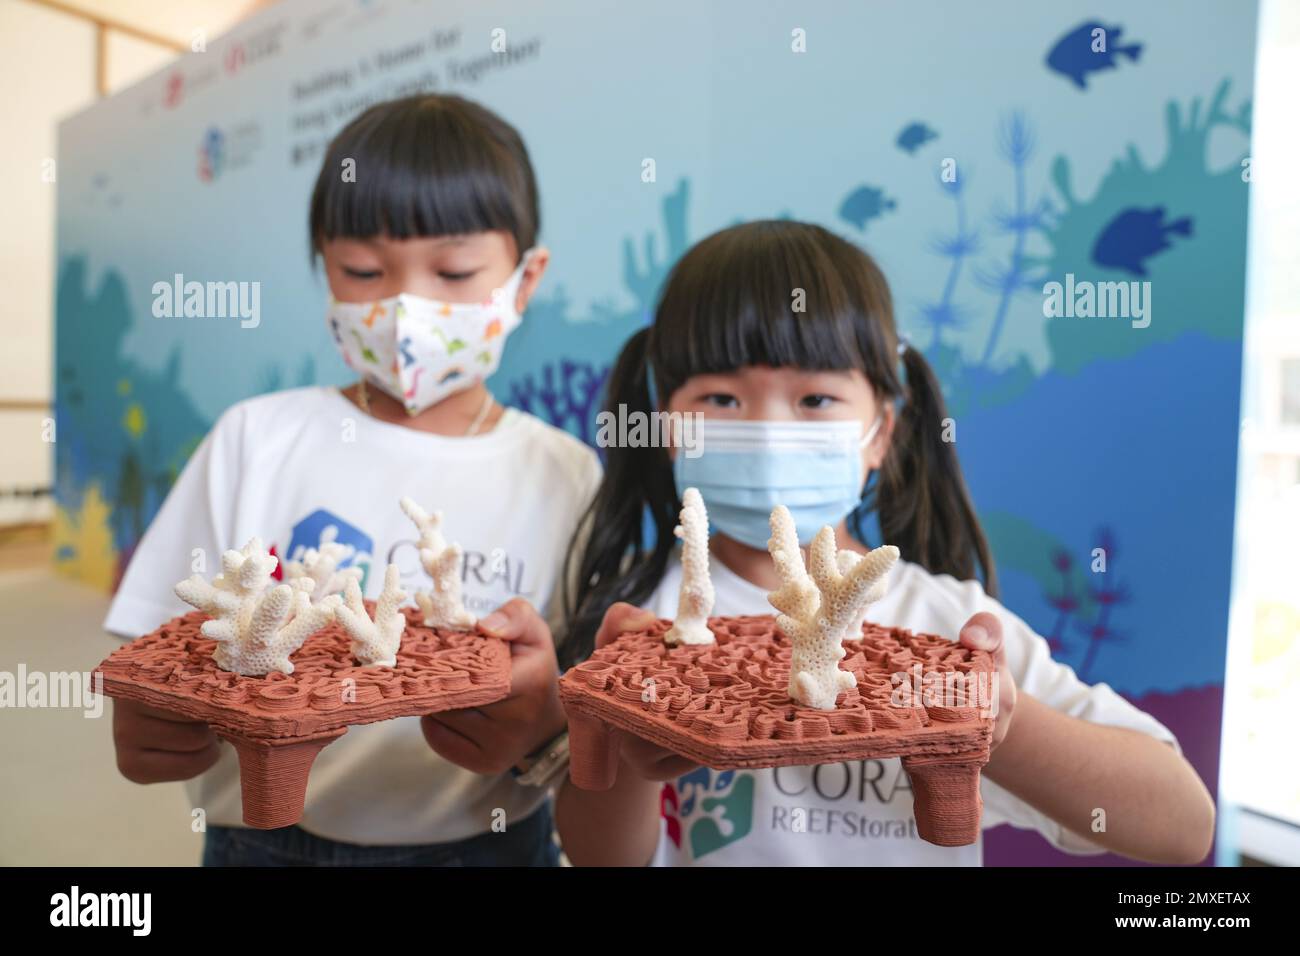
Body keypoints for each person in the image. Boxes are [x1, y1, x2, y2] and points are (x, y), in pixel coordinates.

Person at [556, 220, 1215, 866]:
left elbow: (1182, 827)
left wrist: (997, 725)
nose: (766, 430)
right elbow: (599, 855)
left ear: (880, 432)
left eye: (815, 398)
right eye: (721, 398)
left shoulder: (952, 629)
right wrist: (631, 751)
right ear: (669, 427)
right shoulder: (638, 627)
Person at [105, 94, 600, 866]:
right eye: (364, 271)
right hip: (264, 841)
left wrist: (545, 725)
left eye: (456, 270)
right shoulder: (256, 438)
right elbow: (157, 655)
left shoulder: (565, 472)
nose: (407, 309)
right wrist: (153, 722)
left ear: (525, 280)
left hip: (487, 843)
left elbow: (581, 706)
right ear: (326, 275)